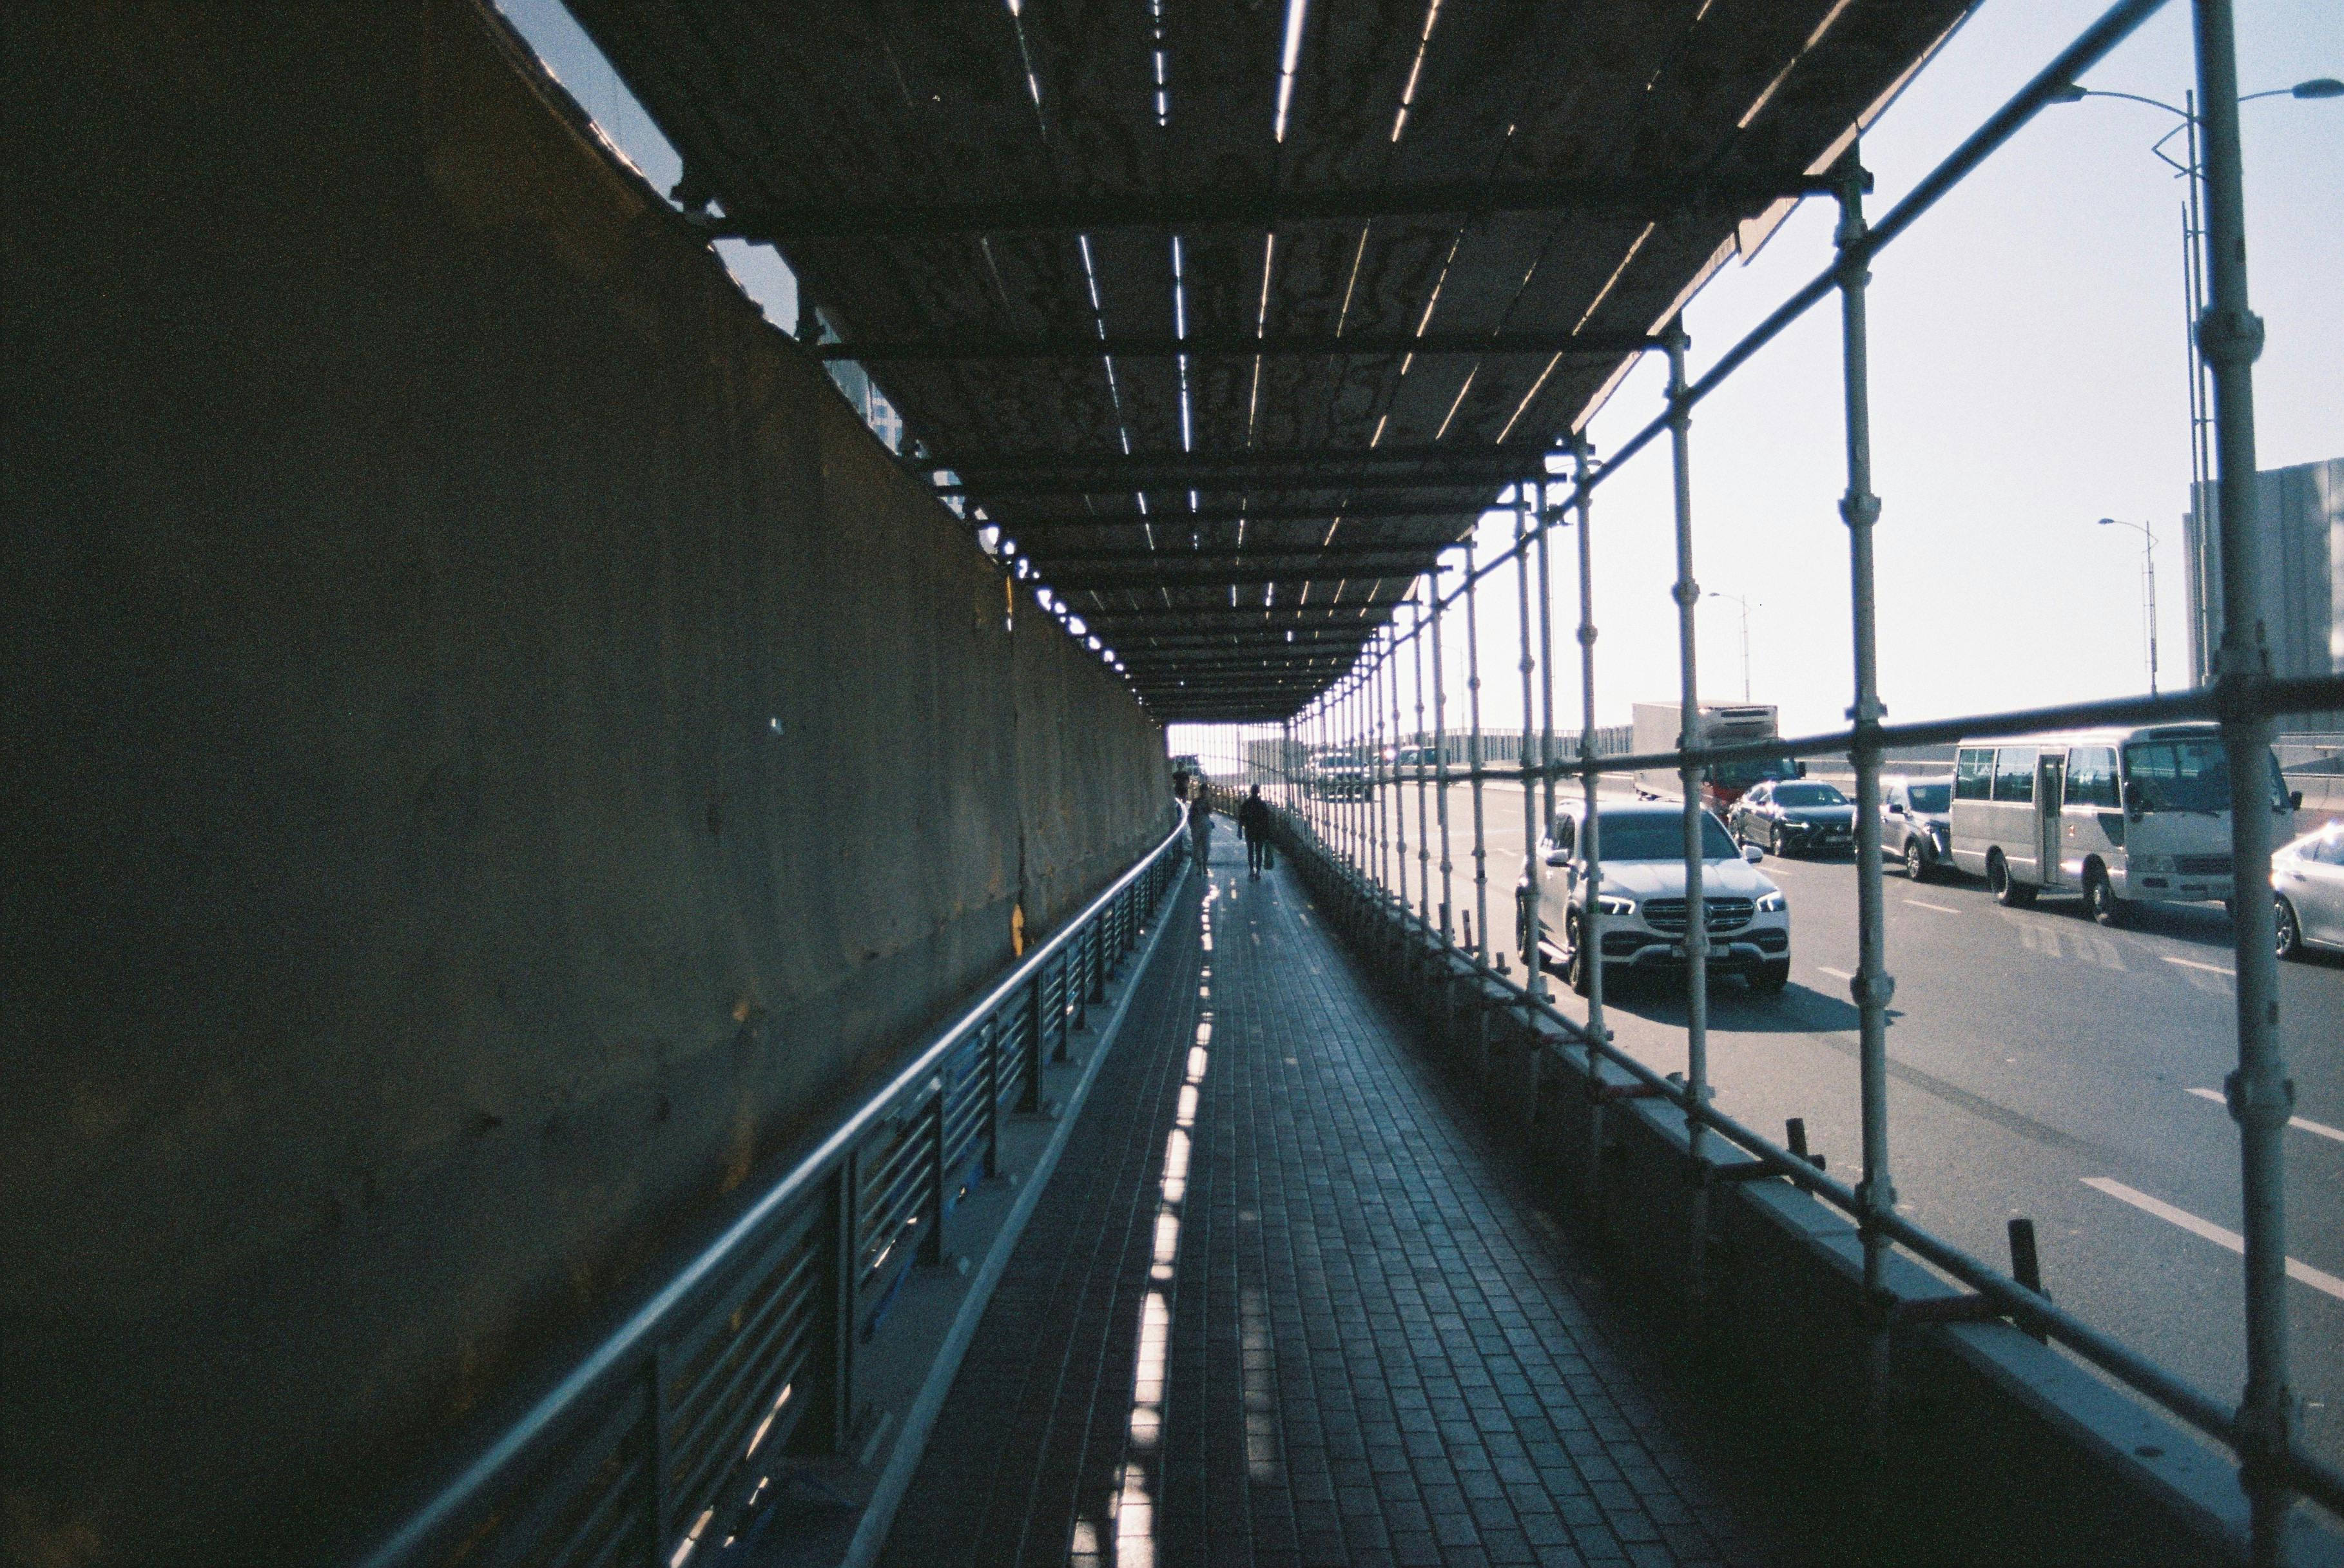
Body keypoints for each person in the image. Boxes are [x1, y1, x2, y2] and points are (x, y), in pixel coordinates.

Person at [1237, 785, 1272, 878]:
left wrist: (1240, 830)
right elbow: (1266, 820)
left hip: (1249, 830)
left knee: (1250, 851)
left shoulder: (1246, 803)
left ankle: (1251, 870)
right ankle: (1258, 872)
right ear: (1258, 792)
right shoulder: (1262, 804)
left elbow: (1242, 817)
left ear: (1251, 791)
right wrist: (1268, 833)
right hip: (1260, 831)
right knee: (1259, 851)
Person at [1187, 785, 1212, 864]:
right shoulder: (1195, 801)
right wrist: (1192, 825)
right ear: (1200, 792)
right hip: (1197, 826)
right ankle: (1200, 864)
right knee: (1197, 846)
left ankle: (1204, 863)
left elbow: (1210, 811)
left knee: (1206, 846)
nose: (1204, 793)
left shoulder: (1208, 801)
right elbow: (1191, 814)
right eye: (1203, 791)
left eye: (1206, 791)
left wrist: (1208, 801)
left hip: (1205, 826)